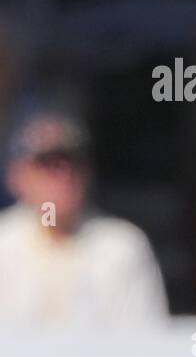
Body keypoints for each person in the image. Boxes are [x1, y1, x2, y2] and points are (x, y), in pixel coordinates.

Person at [0, 110, 169, 328]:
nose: (64, 176)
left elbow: (146, 336)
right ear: (17, 176)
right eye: (48, 164)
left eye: (72, 162)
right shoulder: (4, 243)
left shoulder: (122, 246)